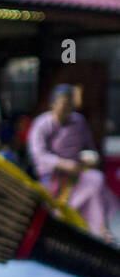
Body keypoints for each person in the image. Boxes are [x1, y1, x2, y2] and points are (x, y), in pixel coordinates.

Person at [26, 84, 118, 240]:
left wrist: (90, 158)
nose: (66, 109)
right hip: (53, 175)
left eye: (69, 105)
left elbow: (89, 146)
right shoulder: (42, 124)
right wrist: (63, 164)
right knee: (53, 207)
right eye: (63, 104)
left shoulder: (78, 121)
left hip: (78, 173)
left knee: (96, 180)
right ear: (53, 104)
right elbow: (38, 154)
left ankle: (100, 230)